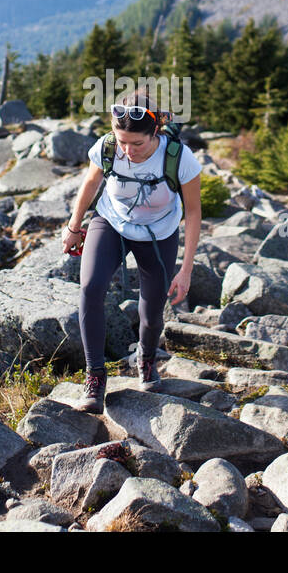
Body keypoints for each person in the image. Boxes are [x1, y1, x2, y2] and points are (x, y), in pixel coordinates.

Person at [62, 90, 202, 412]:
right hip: (112, 222)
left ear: (155, 131)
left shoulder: (179, 158)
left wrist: (186, 270)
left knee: (152, 310)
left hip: (159, 233)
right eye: (122, 141)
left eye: (137, 144)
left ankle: (147, 358)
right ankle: (95, 377)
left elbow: (193, 213)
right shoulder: (108, 147)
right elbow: (90, 184)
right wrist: (73, 227)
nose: (128, 151)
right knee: (90, 288)